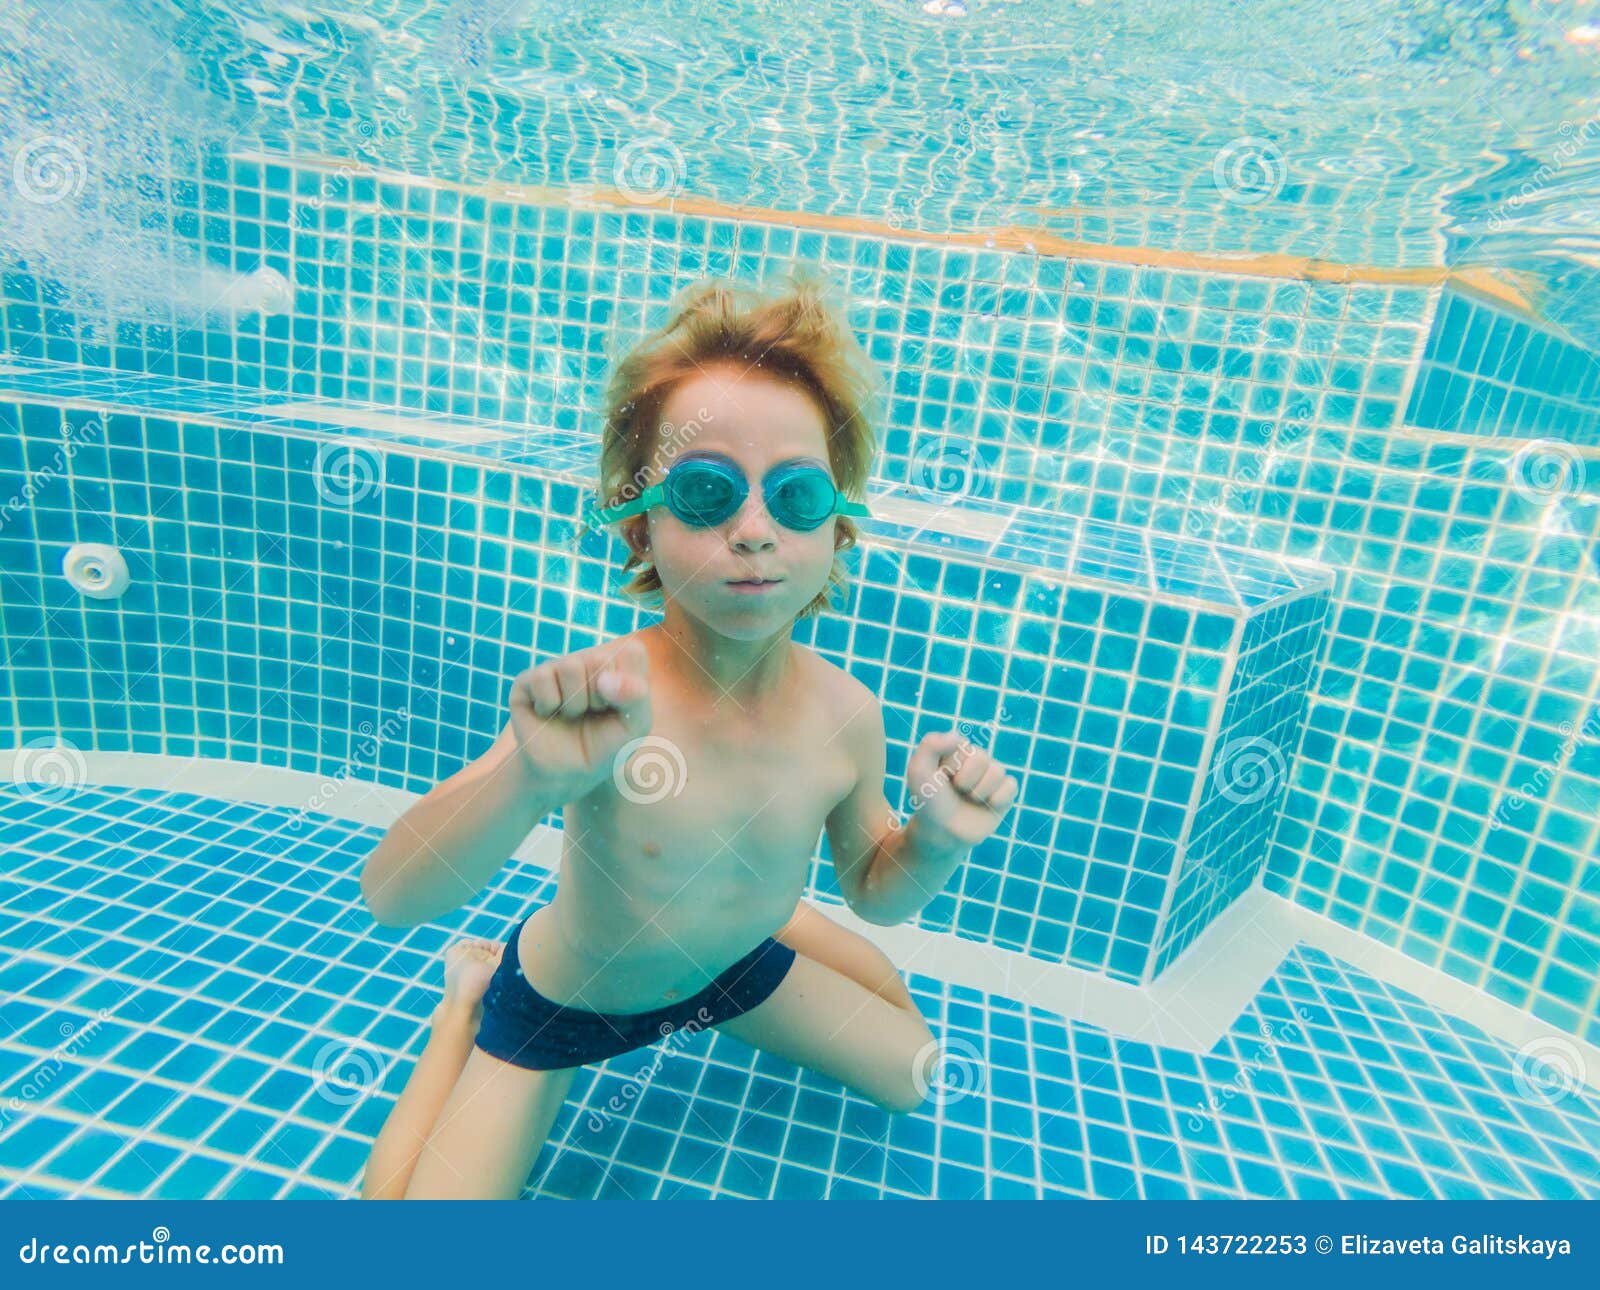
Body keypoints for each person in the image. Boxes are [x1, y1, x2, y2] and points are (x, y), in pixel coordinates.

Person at [357, 270, 1018, 1199]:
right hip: (568, 1002)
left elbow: (875, 891)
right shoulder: (605, 700)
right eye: (707, 493)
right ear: (639, 527)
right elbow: (391, 898)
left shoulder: (847, 715)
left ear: (839, 528)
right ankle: (462, 1005)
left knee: (912, 1071)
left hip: (732, 969)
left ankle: (754, 912)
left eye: (794, 497)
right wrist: (530, 784)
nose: (754, 531)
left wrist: (937, 843)